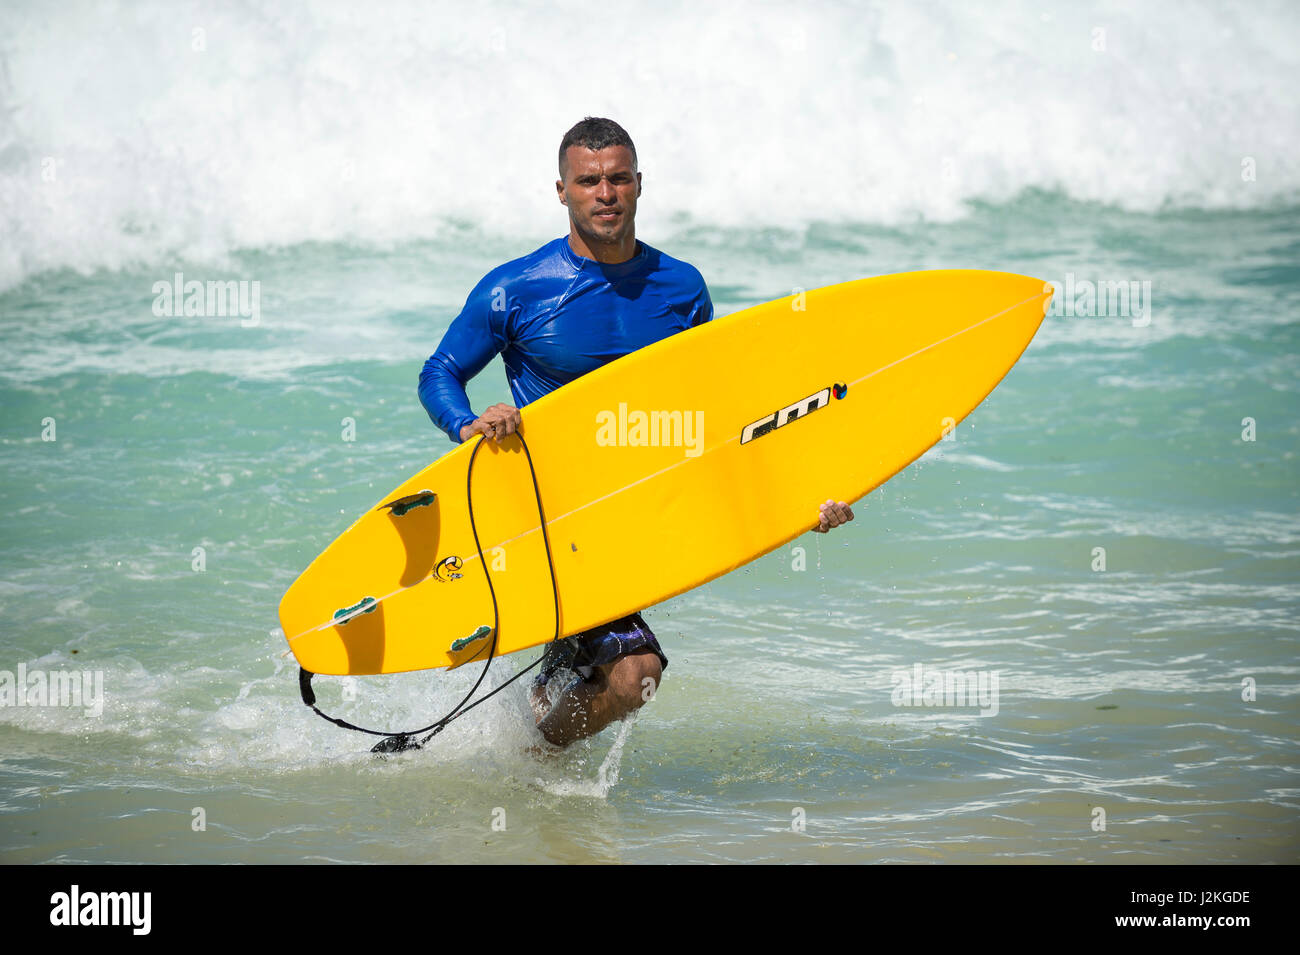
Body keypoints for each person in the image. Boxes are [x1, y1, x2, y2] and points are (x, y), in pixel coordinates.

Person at [418, 117, 853, 748]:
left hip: (637, 517)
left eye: (618, 178)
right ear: (561, 190)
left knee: (576, 668)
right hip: (555, 514)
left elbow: (721, 417)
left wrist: (798, 502)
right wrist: (468, 424)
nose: (605, 192)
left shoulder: (681, 287)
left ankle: (526, 772)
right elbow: (440, 374)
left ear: (640, 184)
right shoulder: (517, 288)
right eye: (588, 180)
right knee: (635, 674)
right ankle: (536, 761)